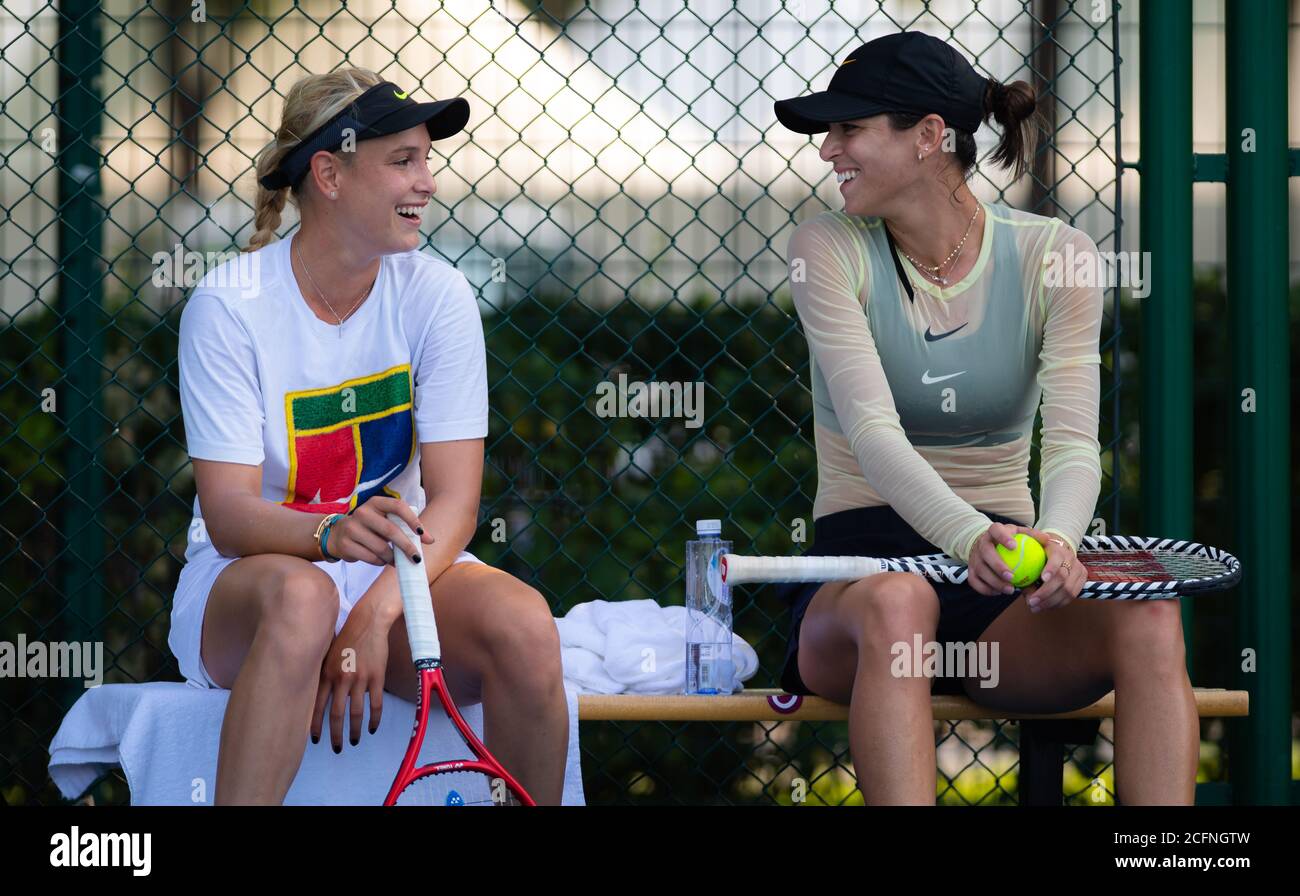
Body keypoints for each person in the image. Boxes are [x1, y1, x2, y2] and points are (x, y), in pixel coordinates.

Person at [772, 31, 1195, 804]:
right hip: (864, 578)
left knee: (1149, 612)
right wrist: (970, 537)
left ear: (930, 136)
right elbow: (872, 434)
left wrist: (1061, 542)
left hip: (1003, 584)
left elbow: (1071, 444)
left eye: (850, 128)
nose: (829, 150)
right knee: (903, 601)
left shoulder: (1056, 255)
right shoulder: (824, 246)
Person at [168, 69, 567, 804]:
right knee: (302, 599)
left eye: (427, 158)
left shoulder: (439, 294)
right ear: (328, 174)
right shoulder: (228, 305)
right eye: (403, 161)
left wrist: (379, 609)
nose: (429, 182)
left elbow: (455, 504)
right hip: (255, 579)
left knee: (527, 625)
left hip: (399, 578)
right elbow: (228, 517)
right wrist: (330, 536)